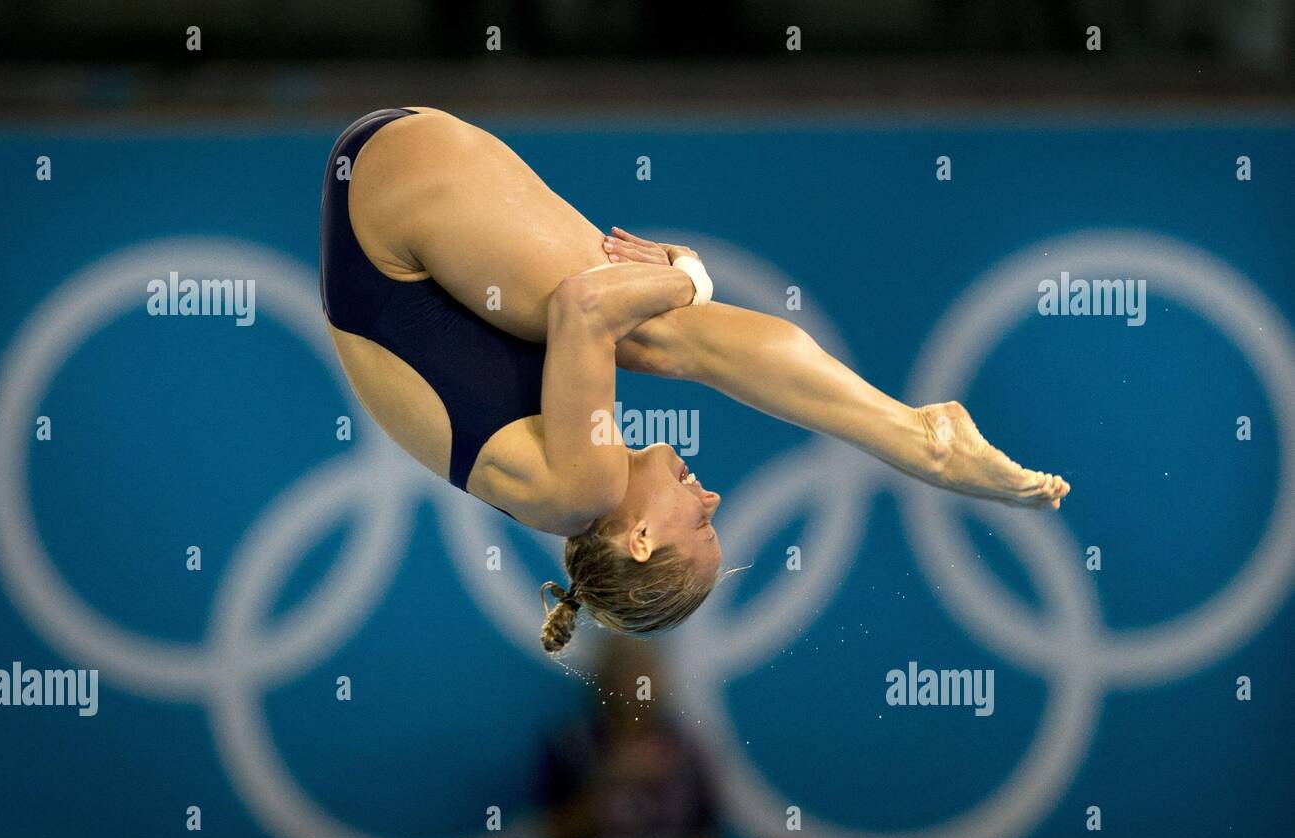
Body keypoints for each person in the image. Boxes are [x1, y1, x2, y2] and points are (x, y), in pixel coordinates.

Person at [319, 107, 1070, 653]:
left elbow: (585, 306)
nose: (711, 496)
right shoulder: (557, 495)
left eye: (703, 523)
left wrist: (690, 274)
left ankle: (918, 442)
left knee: (654, 327)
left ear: (640, 540)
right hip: (383, 196)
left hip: (390, 203)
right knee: (650, 339)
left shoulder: (583, 488)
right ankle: (913, 437)